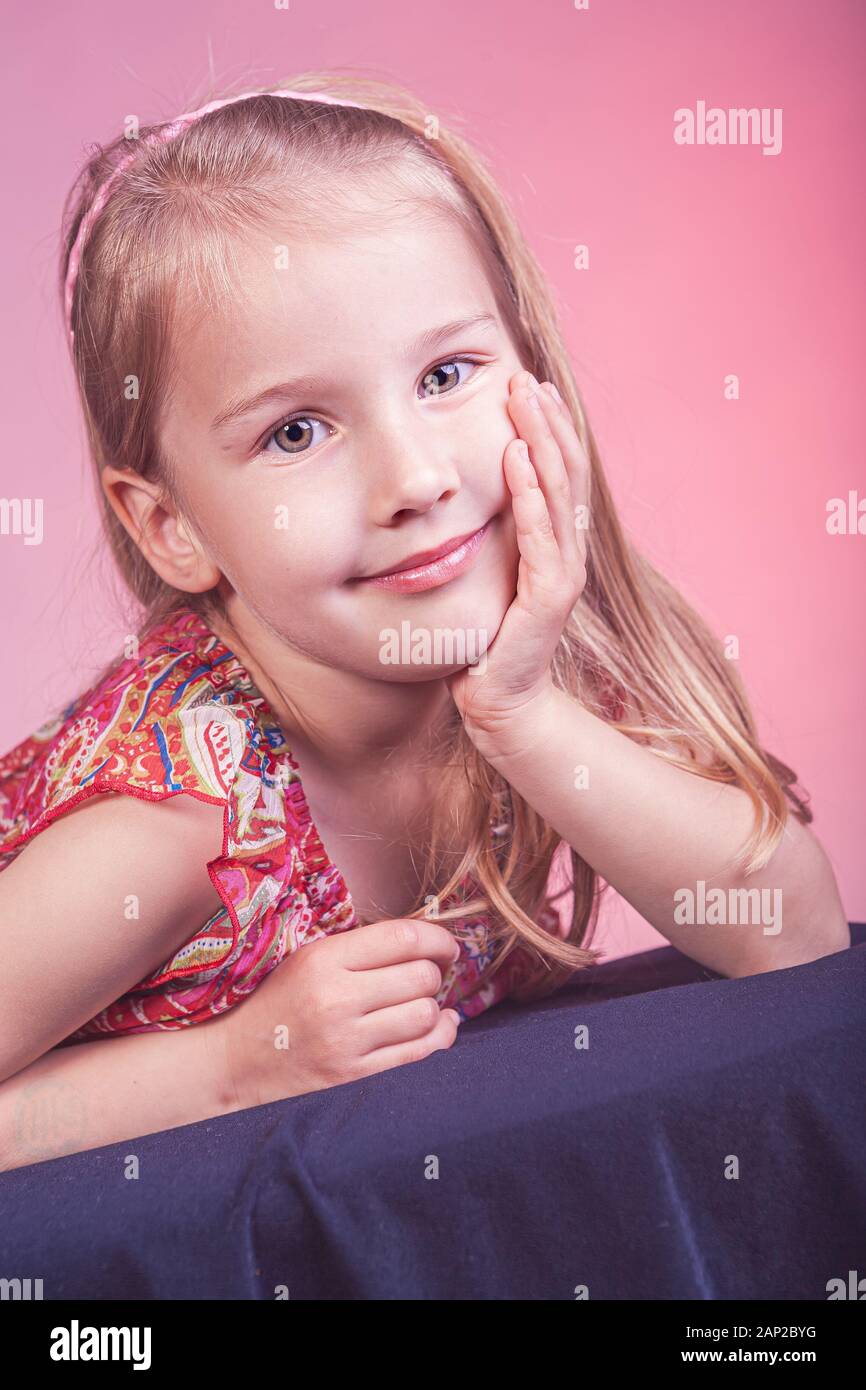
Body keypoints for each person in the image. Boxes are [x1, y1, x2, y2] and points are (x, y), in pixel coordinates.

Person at [0, 74, 848, 1170]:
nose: (413, 478)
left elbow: (795, 936)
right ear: (170, 525)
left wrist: (523, 717)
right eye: (297, 432)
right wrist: (231, 1065)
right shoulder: (180, 821)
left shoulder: (528, 661)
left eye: (446, 372)